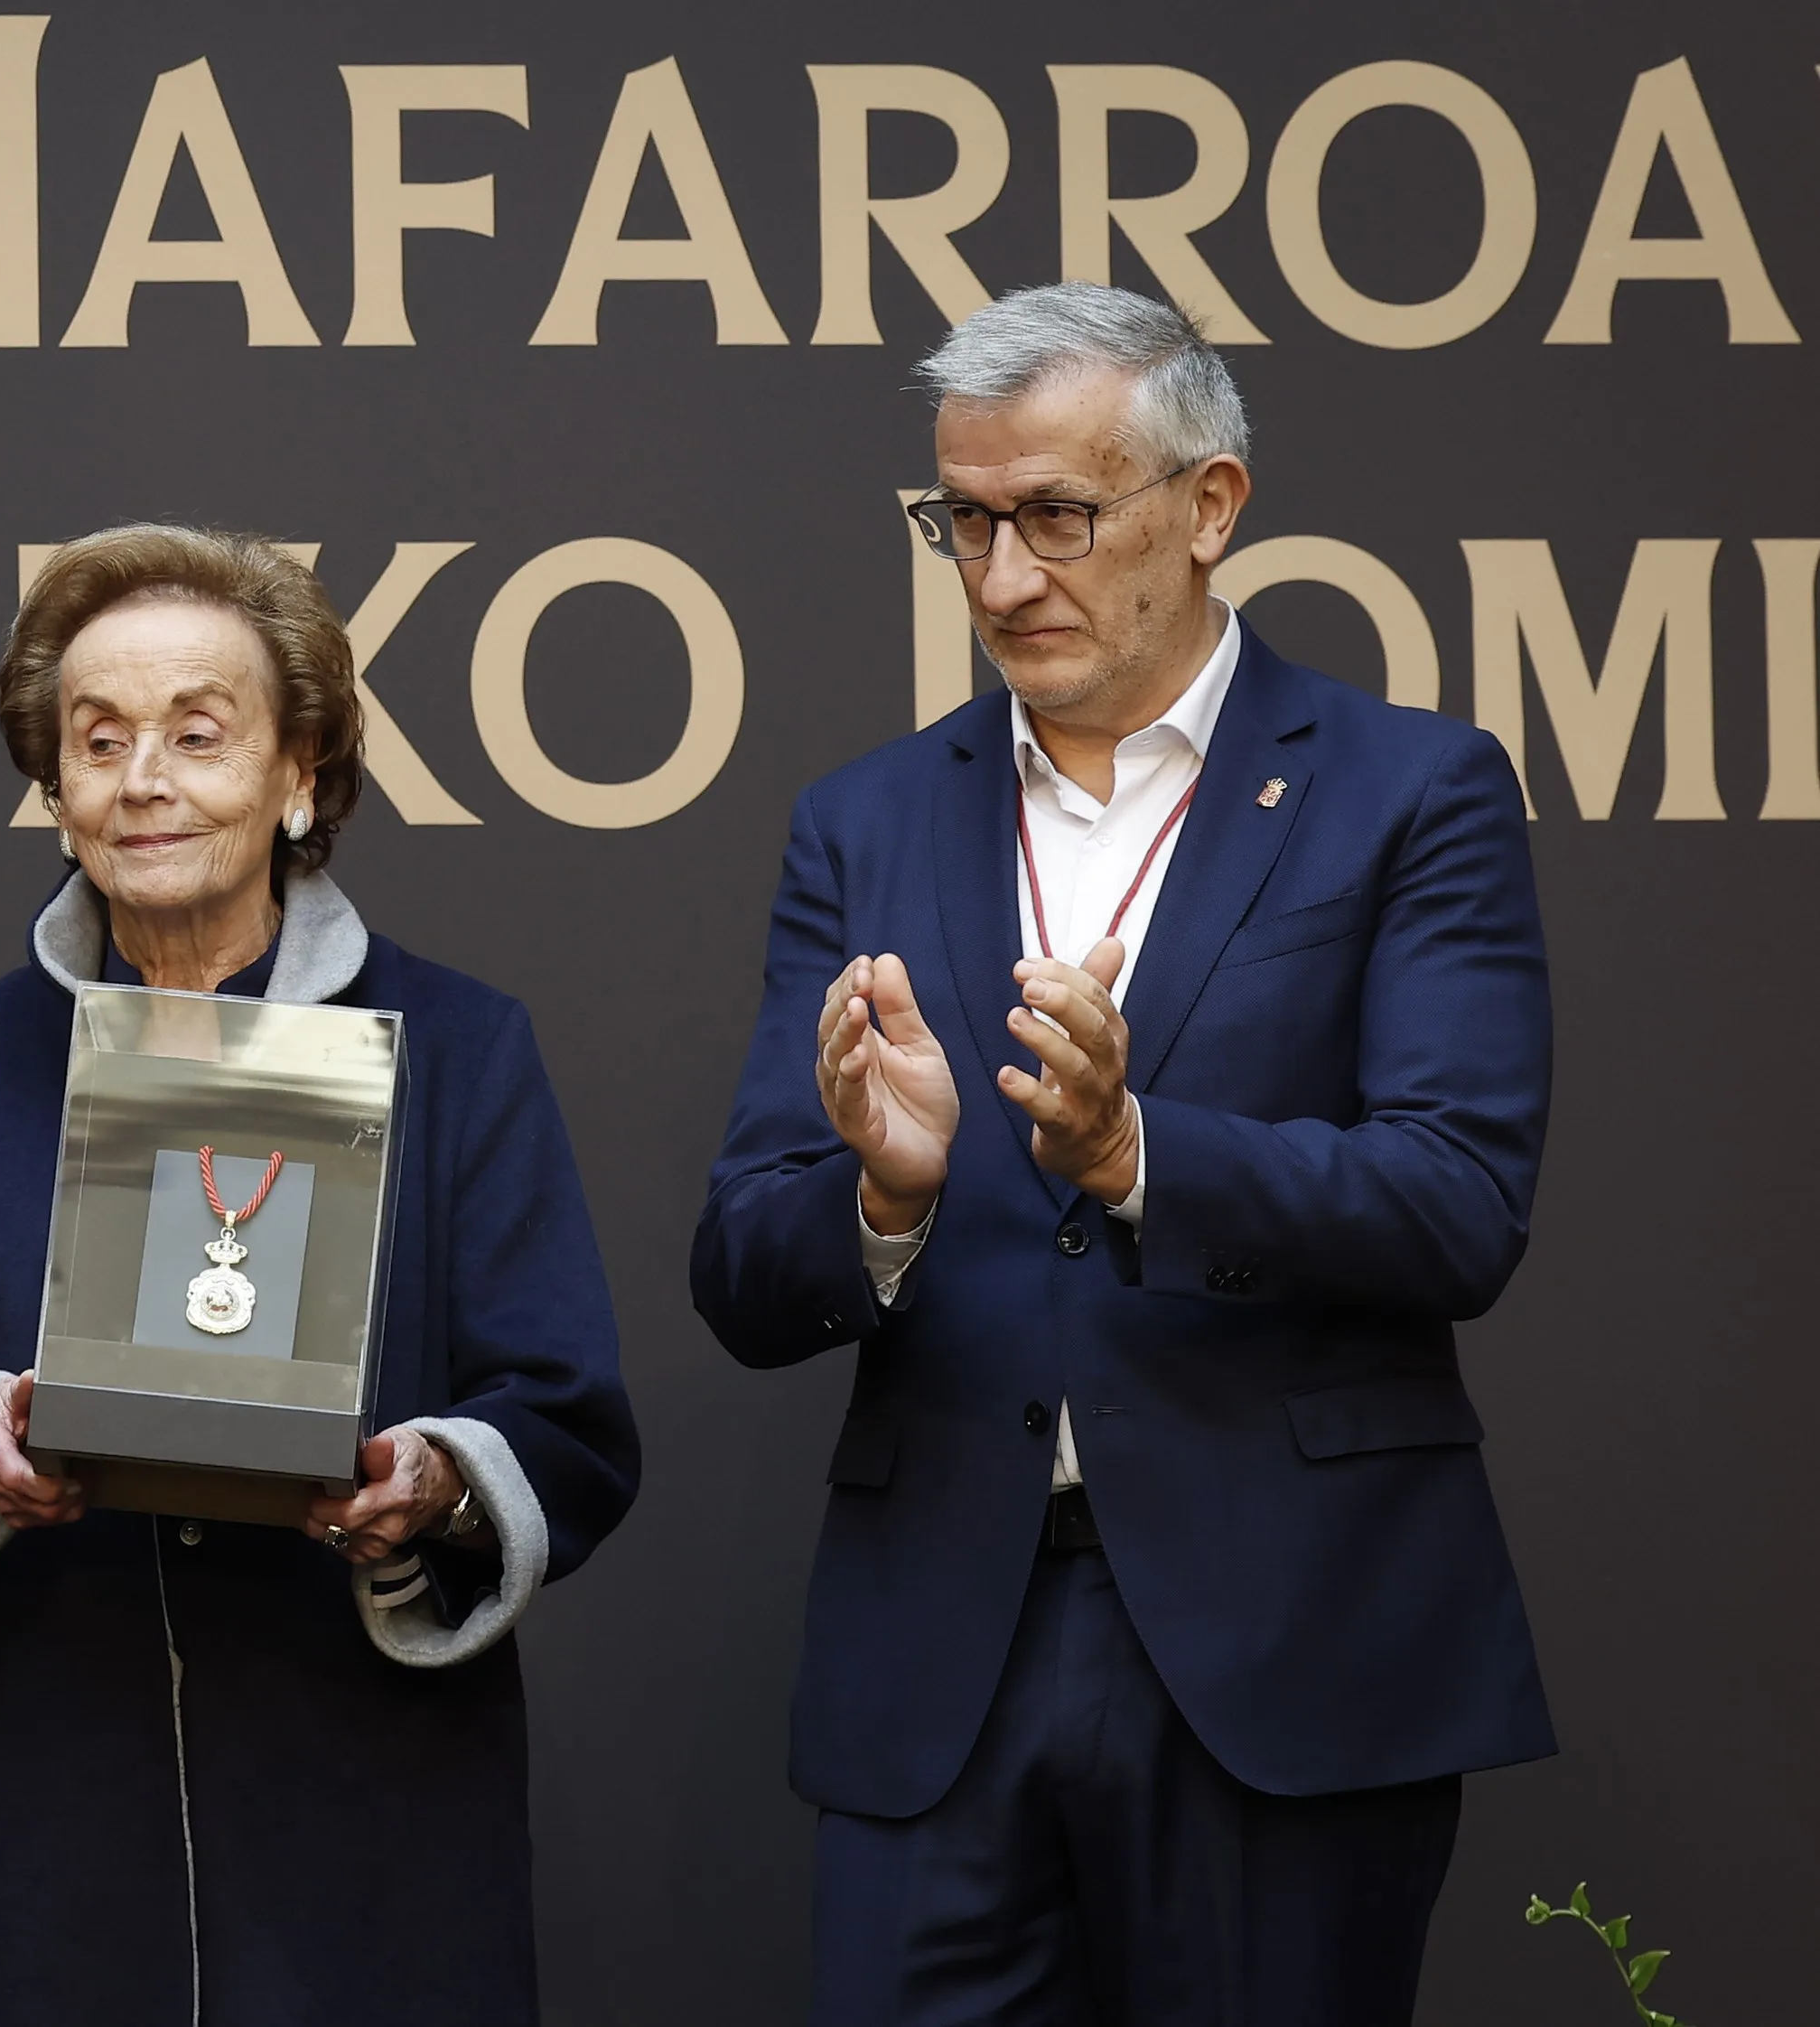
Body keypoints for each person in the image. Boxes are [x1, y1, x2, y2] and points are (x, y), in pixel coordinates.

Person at [692, 285, 1554, 2025]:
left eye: (1058, 518)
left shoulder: (1409, 791)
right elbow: (740, 1273)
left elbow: (1457, 1207)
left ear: (1210, 506)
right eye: (964, 522)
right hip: (942, 1652)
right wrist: (884, 1194)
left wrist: (1137, 1148)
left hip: (1283, 1646)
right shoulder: (862, 819)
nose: (1003, 579)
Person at [0, 524, 639, 2027]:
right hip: (33, 1825)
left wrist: (432, 1481)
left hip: (363, 1830)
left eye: (198, 735)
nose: (142, 780)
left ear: (297, 772)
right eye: (98, 739)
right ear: (52, 787)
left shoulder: (460, 1049)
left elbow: (566, 1410)